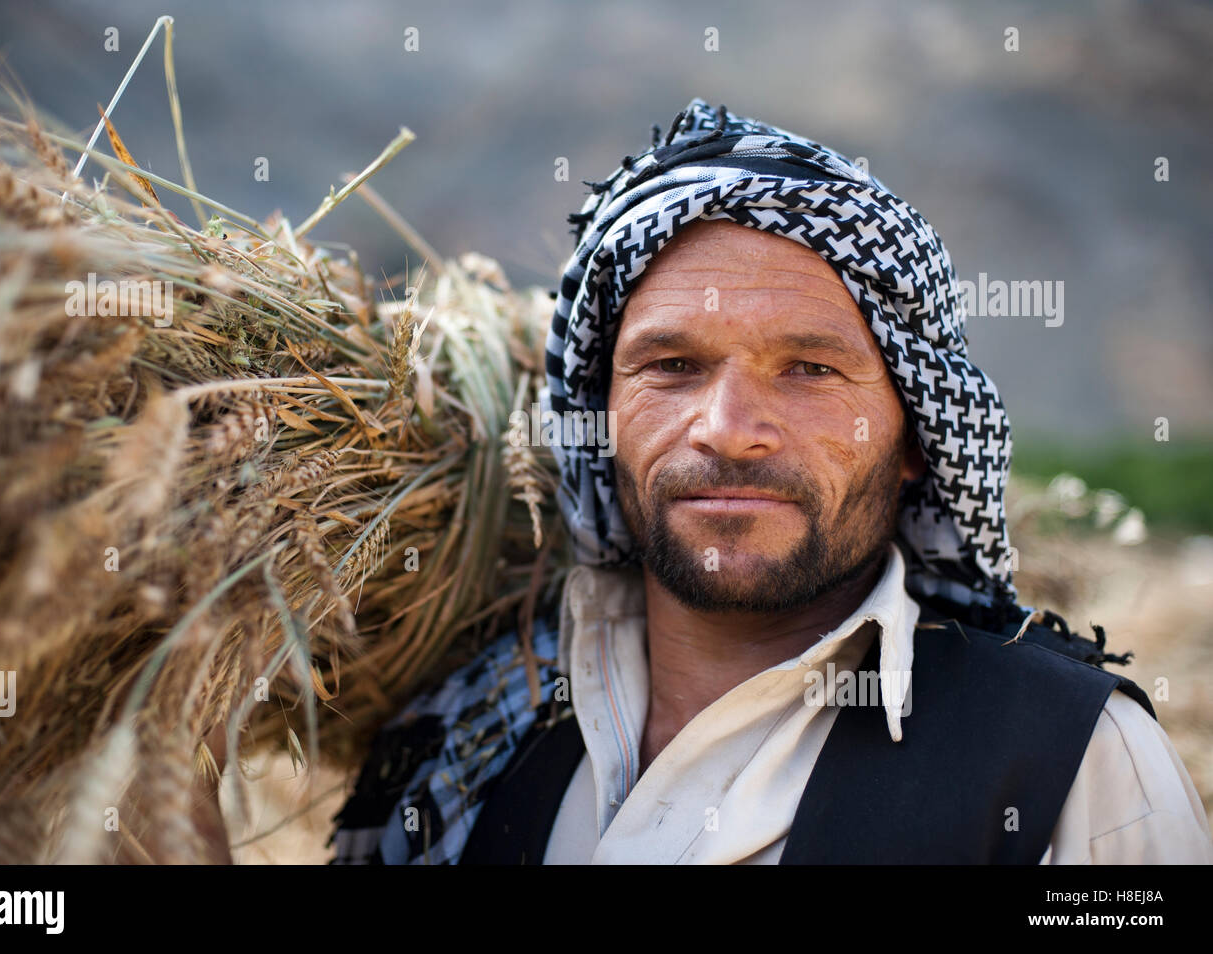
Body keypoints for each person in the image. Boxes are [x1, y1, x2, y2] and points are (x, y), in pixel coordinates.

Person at [328, 99, 1213, 865]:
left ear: (918, 435)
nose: (727, 430)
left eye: (810, 370)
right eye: (671, 364)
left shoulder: (1075, 764)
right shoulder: (464, 733)